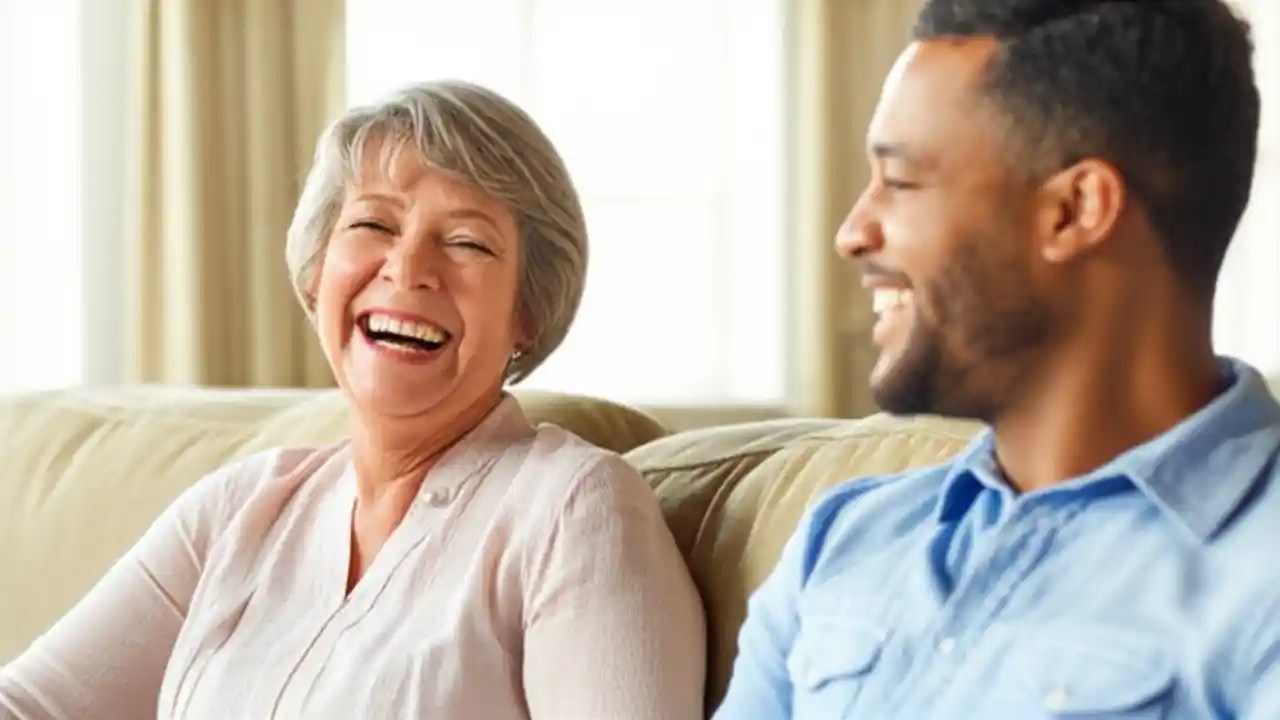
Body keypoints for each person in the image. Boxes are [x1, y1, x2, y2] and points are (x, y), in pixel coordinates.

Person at [0, 81, 705, 719]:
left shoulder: (574, 511)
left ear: (528, 311)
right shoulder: (239, 510)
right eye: (373, 225)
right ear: (317, 272)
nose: (408, 268)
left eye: (466, 242)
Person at [715, 0, 1278, 717]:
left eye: (902, 181)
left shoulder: (1260, 575)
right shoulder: (844, 539)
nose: (853, 232)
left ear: (1074, 211)